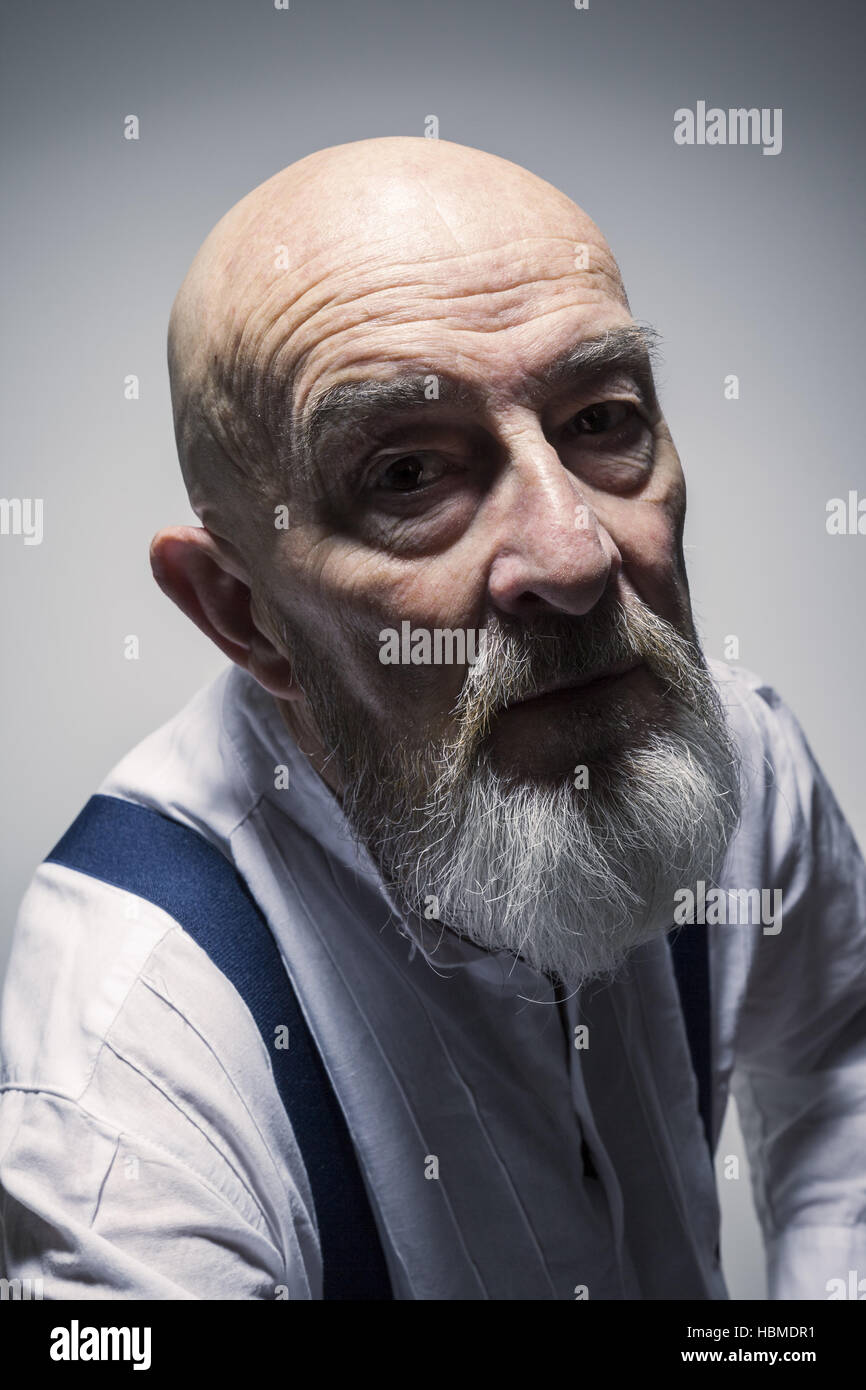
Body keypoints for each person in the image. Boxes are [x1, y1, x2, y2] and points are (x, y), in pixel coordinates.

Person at [1, 137, 864, 1300]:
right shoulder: (133, 1048)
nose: (572, 555)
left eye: (601, 418)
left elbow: (836, 1080)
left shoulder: (736, 764)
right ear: (241, 610)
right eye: (407, 474)